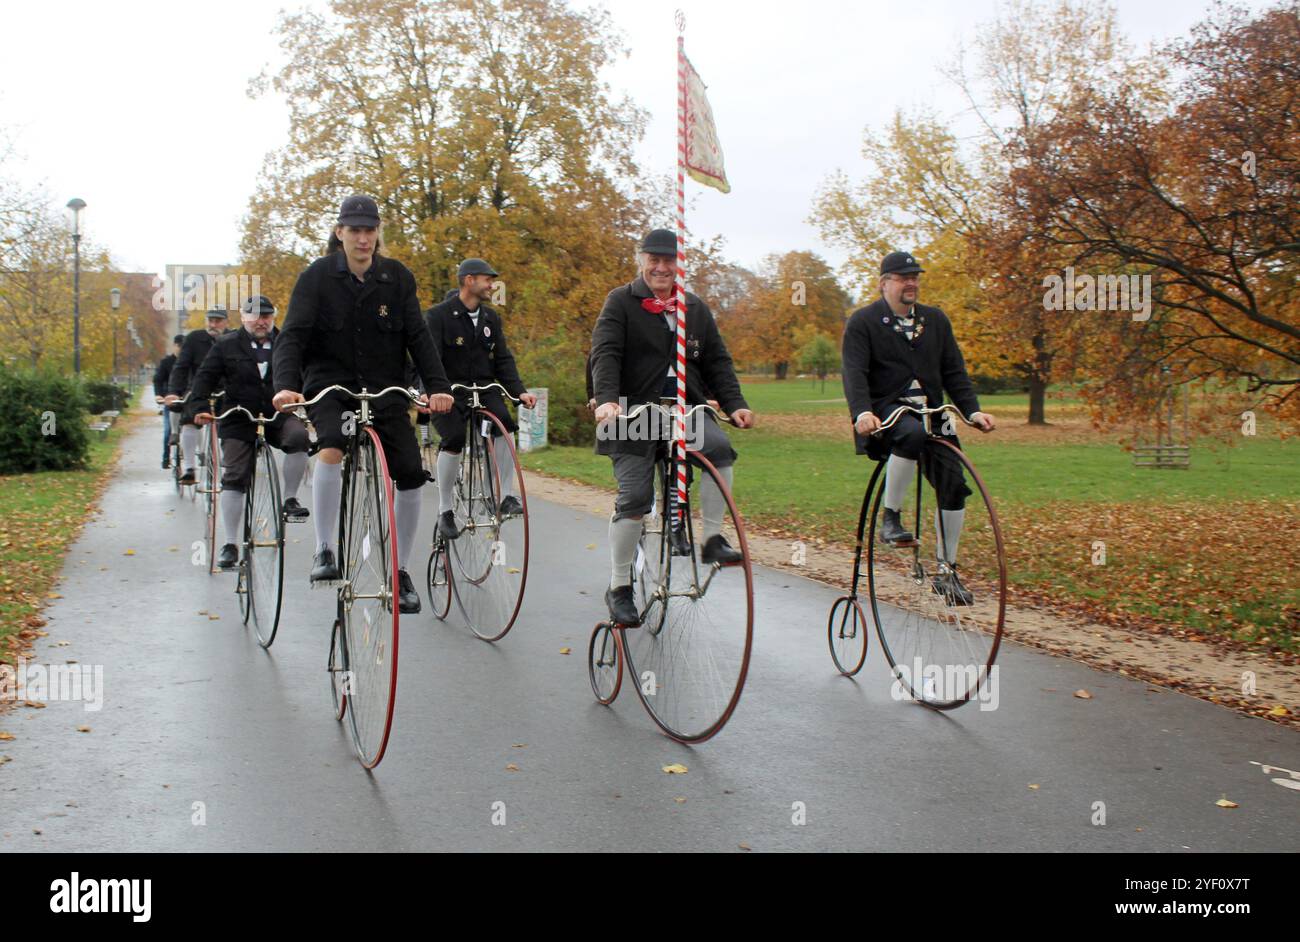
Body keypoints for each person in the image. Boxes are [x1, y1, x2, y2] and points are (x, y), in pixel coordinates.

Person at [271, 195, 454, 614]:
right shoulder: (317, 277)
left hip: (384, 388)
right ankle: (324, 550)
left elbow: (418, 338)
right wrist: (285, 386)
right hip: (331, 386)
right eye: (355, 230)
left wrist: (437, 386)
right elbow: (293, 337)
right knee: (332, 442)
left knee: (409, 472)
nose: (363, 238)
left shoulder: (397, 278)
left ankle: (401, 571)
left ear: (377, 233)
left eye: (370, 230)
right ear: (340, 233)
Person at [589, 228, 755, 627]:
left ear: (680, 264)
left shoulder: (694, 309)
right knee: (635, 497)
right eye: (654, 259)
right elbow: (606, 352)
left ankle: (712, 539)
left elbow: (717, 361)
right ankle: (619, 586)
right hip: (632, 412)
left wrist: (735, 405)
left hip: (685, 410)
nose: (662, 267)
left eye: (670, 260)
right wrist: (607, 398)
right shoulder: (620, 302)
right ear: (641, 259)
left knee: (719, 450)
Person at [841, 250, 997, 605]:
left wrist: (972, 413)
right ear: (884, 284)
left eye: (915, 277)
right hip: (886, 412)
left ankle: (947, 571)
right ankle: (890, 518)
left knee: (955, 486)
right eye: (902, 277)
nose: (911, 283)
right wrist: (861, 413)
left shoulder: (935, 320)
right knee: (910, 433)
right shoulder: (864, 322)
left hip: (934, 412)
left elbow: (954, 372)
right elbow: (854, 373)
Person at [190, 296, 311, 570]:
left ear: (274, 317)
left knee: (299, 438)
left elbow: (307, 376)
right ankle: (230, 543)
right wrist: (198, 407)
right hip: (238, 416)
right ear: (243, 318)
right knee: (234, 474)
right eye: (255, 316)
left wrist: (311, 404)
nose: (261, 321)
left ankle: (290, 499)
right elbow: (204, 378)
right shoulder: (225, 345)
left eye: (266, 316)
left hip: (277, 414)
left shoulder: (287, 343)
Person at [425, 258, 536, 540]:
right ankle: (445, 509)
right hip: (448, 389)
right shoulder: (438, 316)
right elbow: (428, 358)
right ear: (469, 280)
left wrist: (519, 390)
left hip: (484, 388)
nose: (491, 285)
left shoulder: (490, 318)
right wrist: (429, 391)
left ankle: (505, 496)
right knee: (453, 438)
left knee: (505, 425)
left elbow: (503, 359)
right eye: (487, 280)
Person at [164, 308, 231, 484]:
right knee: (189, 421)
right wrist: (173, 392)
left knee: (233, 420)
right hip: (197, 389)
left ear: (226, 322)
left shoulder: (233, 338)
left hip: (227, 389)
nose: (213, 325)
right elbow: (181, 367)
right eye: (210, 320)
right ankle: (189, 469)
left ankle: (230, 461)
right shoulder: (193, 339)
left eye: (218, 321)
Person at [153, 335, 183, 469]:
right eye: (180, 346)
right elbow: (158, 379)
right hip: (170, 402)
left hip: (186, 400)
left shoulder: (190, 363)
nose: (182, 350)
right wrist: (159, 395)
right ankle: (166, 457)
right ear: (175, 346)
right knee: (168, 430)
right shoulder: (167, 362)